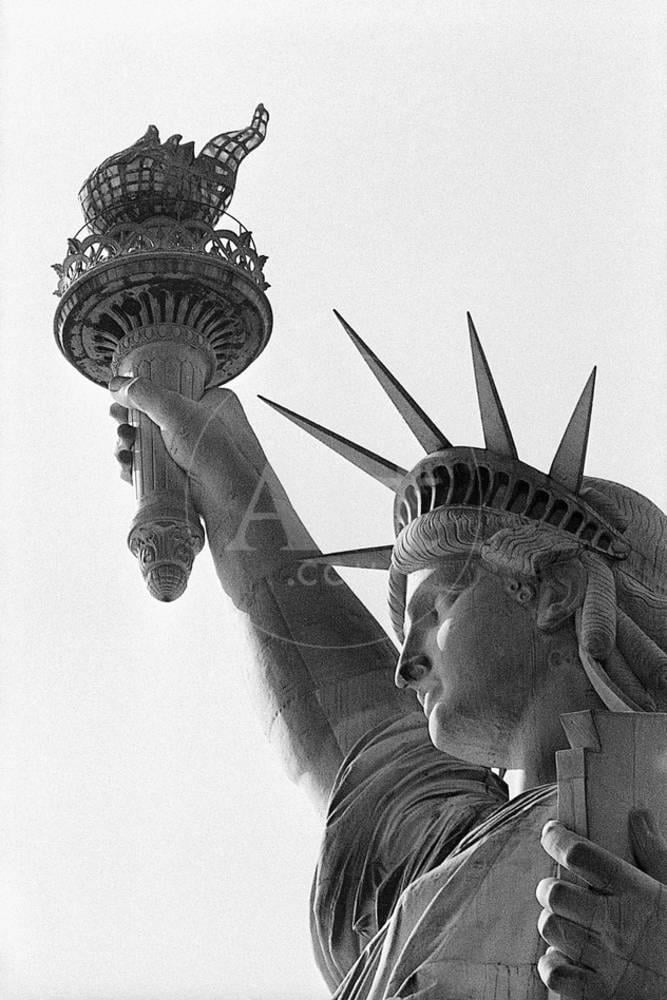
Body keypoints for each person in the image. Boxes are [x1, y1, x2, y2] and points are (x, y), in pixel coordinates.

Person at [109, 319, 667, 1000]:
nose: (406, 667)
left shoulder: (644, 829)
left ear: (552, 591)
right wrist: (224, 472)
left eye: (435, 610)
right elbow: (351, 722)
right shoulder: (445, 867)